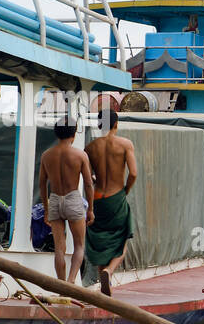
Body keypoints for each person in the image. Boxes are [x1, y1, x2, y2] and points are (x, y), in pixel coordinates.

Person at [84, 109, 137, 295]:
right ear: (116, 124)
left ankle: (104, 283)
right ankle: (109, 271)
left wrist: (89, 204)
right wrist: (125, 190)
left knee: (101, 242)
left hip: (97, 198)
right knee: (122, 239)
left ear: (100, 124)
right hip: (116, 197)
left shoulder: (90, 148)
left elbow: (88, 179)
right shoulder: (125, 144)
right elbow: (134, 173)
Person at [38, 119, 94, 284]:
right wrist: (90, 208)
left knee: (59, 249)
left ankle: (61, 284)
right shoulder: (80, 155)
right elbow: (89, 183)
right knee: (79, 245)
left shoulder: (47, 155)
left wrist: (46, 210)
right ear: (74, 133)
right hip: (73, 199)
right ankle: (70, 281)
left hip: (55, 199)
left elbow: (42, 183)